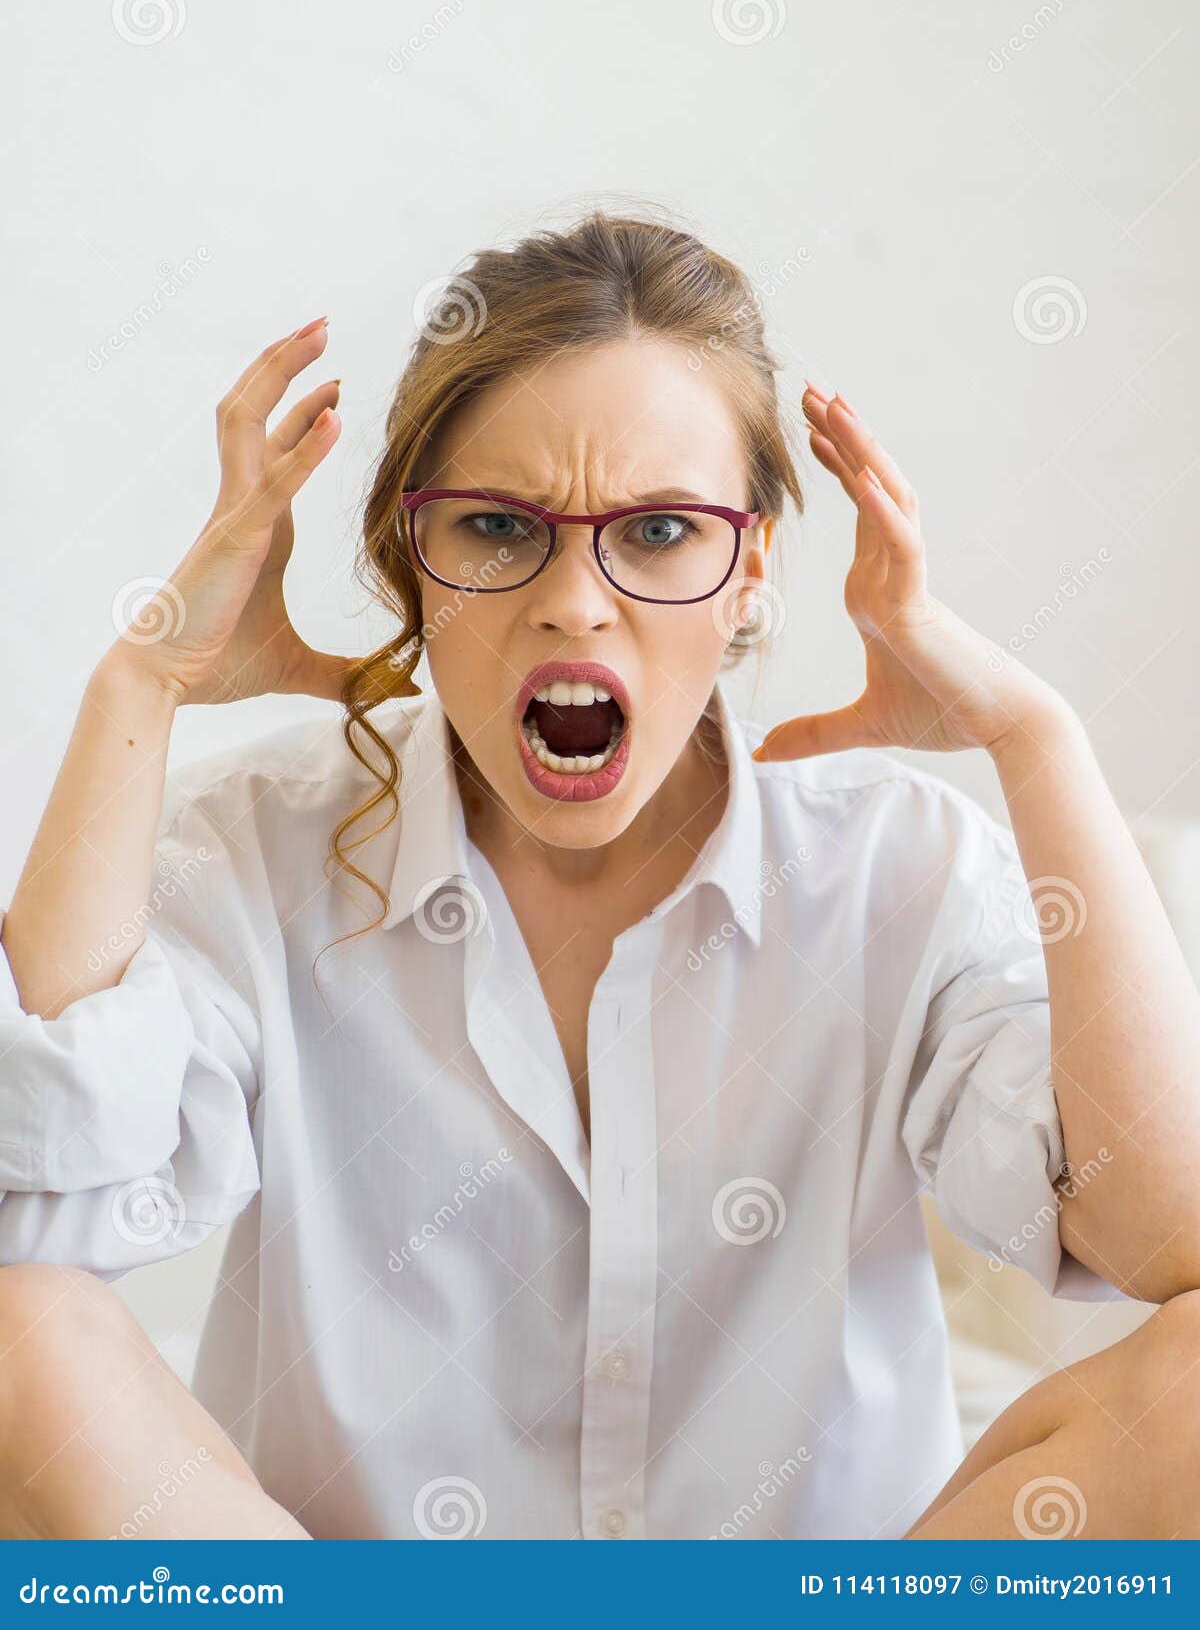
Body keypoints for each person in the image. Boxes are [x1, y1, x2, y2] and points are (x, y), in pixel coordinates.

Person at [2, 212, 1199, 1542]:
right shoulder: (255, 841)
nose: (576, 601)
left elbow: (1167, 1237)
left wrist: (1035, 737)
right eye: (501, 526)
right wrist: (147, 679)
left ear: (750, 574)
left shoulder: (893, 866)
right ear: (413, 569)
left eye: (664, 531)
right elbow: (40, 1219)